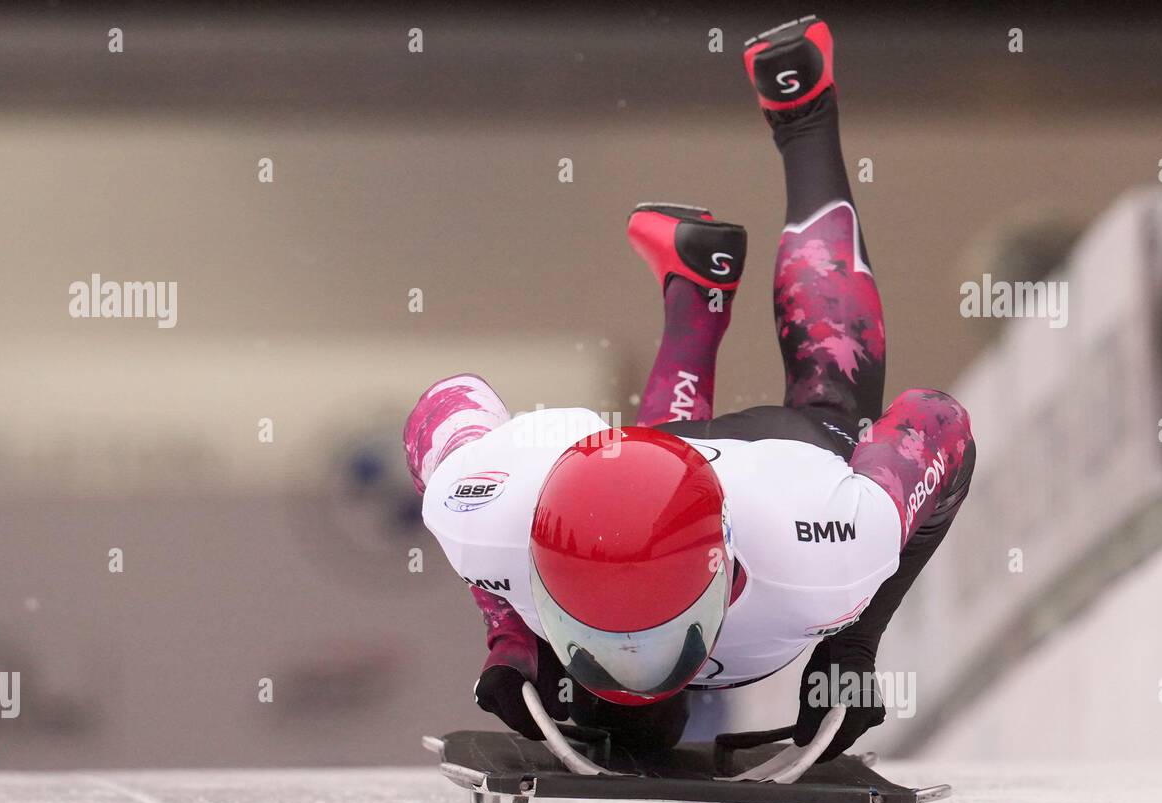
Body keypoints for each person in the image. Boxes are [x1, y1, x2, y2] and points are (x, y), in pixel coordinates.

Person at [403, 15, 975, 760]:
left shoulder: (829, 544)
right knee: (675, 448)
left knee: (835, 395)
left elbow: (942, 424)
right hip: (648, 455)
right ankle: (700, 278)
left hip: (787, 468)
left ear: (725, 587)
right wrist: (508, 629)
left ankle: (793, 139)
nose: (636, 679)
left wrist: (857, 640)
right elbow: (444, 403)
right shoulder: (489, 510)